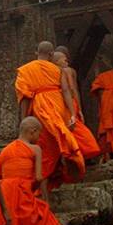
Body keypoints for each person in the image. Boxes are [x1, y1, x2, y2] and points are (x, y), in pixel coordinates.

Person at [13, 41, 85, 189]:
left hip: (39, 113)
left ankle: (45, 190)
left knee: (44, 150)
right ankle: (70, 181)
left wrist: (24, 120)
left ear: (36, 53)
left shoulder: (25, 71)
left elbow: (24, 97)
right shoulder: (58, 70)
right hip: (59, 111)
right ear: (52, 54)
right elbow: (66, 91)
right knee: (63, 142)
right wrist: (73, 113)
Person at [52, 45, 103, 162]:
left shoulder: (56, 72)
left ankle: (76, 156)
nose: (67, 61)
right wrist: (79, 109)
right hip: (67, 104)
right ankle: (83, 155)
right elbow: (72, 89)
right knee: (77, 131)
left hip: (61, 105)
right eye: (64, 59)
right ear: (57, 60)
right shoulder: (67, 71)